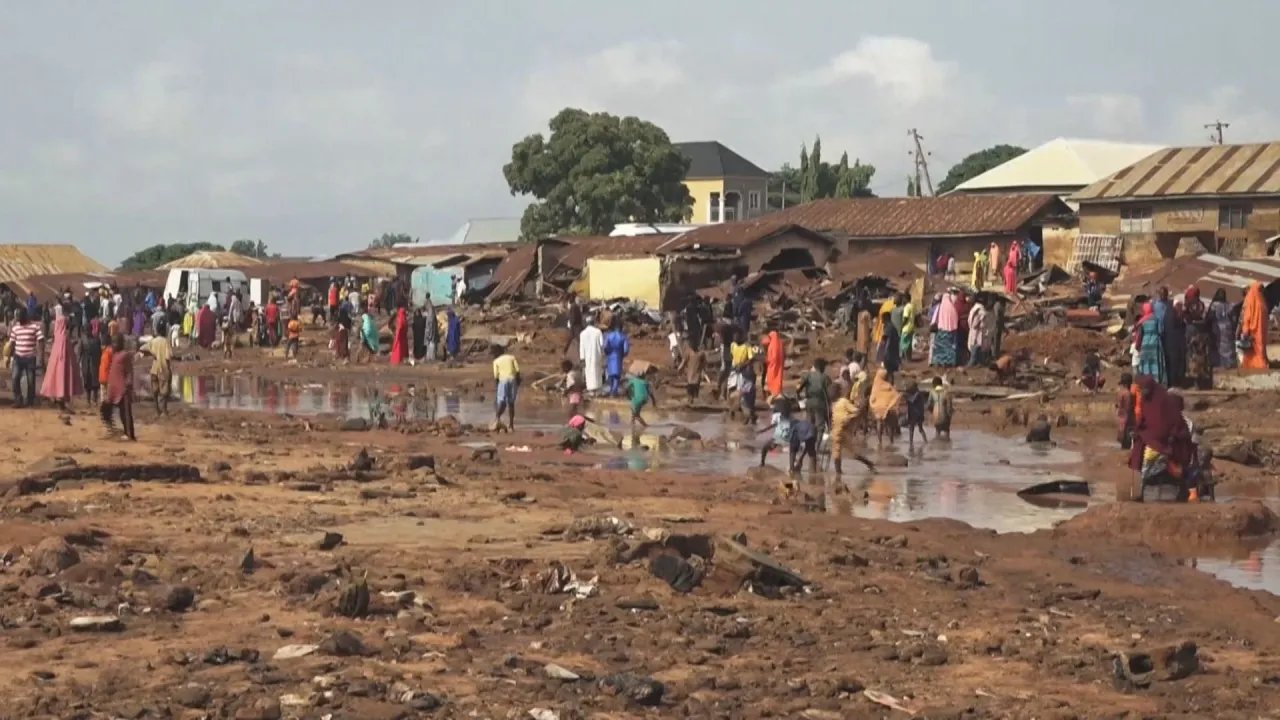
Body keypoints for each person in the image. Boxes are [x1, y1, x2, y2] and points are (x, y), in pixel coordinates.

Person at [1128, 375, 1193, 499]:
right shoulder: (1146, 401)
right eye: (1141, 389)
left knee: (1149, 459)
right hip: (1153, 438)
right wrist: (1137, 430)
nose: (1142, 392)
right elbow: (1143, 420)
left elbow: (1172, 423)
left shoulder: (1163, 400)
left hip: (1167, 440)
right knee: (1139, 452)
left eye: (1144, 389)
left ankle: (1142, 489)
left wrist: (1171, 435)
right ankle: (1140, 488)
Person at [757, 398, 818, 475]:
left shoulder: (791, 423)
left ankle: (794, 471)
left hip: (791, 435)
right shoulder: (786, 419)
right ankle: (813, 473)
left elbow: (792, 445)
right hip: (801, 432)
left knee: (795, 452)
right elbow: (775, 425)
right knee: (811, 454)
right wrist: (763, 430)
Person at [39, 305, 80, 409]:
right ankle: (61, 398)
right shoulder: (64, 337)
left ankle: (58, 397)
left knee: (57, 376)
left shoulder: (58, 336)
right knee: (63, 377)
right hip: (63, 361)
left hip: (57, 360)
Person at [102, 334, 136, 441]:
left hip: (123, 389)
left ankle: (129, 434)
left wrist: (128, 384)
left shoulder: (125, 355)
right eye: (113, 342)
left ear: (121, 343)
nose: (114, 344)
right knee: (105, 409)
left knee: (125, 413)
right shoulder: (114, 354)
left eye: (116, 342)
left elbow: (129, 371)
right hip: (113, 388)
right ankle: (112, 429)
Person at [8, 307, 44, 408]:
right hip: (18, 357)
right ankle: (18, 400)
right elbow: (12, 343)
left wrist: (41, 356)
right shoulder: (15, 328)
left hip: (30, 358)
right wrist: (8, 358)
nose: (17, 318)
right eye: (17, 315)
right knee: (15, 378)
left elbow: (41, 340)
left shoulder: (34, 327)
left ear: (24, 315)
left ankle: (30, 401)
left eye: (19, 315)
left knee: (30, 380)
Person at [140, 320, 173, 415]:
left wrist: (152, 354)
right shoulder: (166, 342)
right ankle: (164, 409)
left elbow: (142, 348)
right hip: (164, 369)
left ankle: (156, 408)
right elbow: (169, 356)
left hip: (154, 369)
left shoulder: (153, 341)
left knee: (155, 390)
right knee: (165, 391)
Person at [797, 358, 833, 442]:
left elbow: (798, 389)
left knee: (810, 425)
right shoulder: (825, 377)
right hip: (820, 403)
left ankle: (809, 447)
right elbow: (831, 393)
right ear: (822, 367)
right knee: (820, 427)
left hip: (809, 403)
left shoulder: (808, 376)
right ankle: (816, 449)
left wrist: (799, 399)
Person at [1133, 301, 1167, 385]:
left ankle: (1146, 382)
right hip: (1155, 344)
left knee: (1146, 364)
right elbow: (1161, 331)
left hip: (1145, 345)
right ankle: (1156, 382)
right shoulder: (1156, 319)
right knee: (1156, 364)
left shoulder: (1142, 322)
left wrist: (1137, 346)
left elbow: (1139, 335)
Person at [1240, 280, 1269, 369]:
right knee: (1257, 348)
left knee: (1258, 348)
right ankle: (1258, 364)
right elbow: (1247, 316)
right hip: (1255, 330)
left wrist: (1245, 330)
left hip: (1257, 329)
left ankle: (1258, 364)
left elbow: (1246, 316)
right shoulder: (1256, 300)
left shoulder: (1254, 299)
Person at [868, 368, 900, 446]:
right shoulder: (888, 385)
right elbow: (895, 395)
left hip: (878, 407)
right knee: (889, 424)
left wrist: (873, 405)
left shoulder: (876, 384)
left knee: (879, 423)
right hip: (886, 407)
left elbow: (873, 396)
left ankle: (880, 441)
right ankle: (891, 441)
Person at [491, 343, 520, 429]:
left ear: (495, 353)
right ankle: (511, 425)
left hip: (503, 380)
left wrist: (497, 387)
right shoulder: (511, 357)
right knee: (511, 403)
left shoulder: (496, 361)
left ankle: (497, 419)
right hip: (512, 379)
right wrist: (517, 382)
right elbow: (517, 371)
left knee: (502, 402)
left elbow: (496, 376)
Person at [1208, 288, 1238, 368]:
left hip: (1217, 329)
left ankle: (1221, 365)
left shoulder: (1214, 305)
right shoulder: (1229, 305)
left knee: (1219, 349)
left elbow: (1210, 317)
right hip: (1228, 329)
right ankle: (1230, 364)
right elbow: (1234, 318)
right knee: (1229, 348)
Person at [930, 290, 960, 367]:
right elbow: (956, 319)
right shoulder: (952, 308)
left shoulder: (940, 307)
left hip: (941, 331)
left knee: (940, 347)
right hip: (951, 331)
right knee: (950, 347)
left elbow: (934, 318)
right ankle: (950, 362)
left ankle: (939, 361)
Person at [601, 318, 630, 397]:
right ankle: (614, 391)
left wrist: (608, 353)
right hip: (618, 356)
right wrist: (622, 355)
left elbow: (605, 346)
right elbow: (626, 349)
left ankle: (611, 390)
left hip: (610, 356)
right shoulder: (623, 337)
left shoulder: (609, 336)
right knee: (617, 375)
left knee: (610, 374)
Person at [578, 315, 604, 394]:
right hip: (597, 355)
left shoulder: (582, 333)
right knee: (597, 371)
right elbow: (602, 344)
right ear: (593, 322)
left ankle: (590, 390)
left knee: (588, 372)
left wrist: (582, 358)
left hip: (587, 357)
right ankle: (598, 390)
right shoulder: (598, 332)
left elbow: (581, 347)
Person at [80, 319, 103, 406]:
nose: (86, 332)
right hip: (86, 362)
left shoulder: (96, 339)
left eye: (88, 330)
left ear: (91, 330)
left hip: (94, 363)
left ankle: (95, 399)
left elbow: (100, 352)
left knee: (95, 383)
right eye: (85, 330)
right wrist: (79, 363)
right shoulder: (83, 340)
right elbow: (80, 352)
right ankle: (88, 399)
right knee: (87, 382)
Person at [902, 380, 928, 447]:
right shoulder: (913, 393)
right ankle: (912, 443)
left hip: (917, 413)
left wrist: (906, 396)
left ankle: (923, 441)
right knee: (913, 429)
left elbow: (912, 400)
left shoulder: (918, 393)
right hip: (913, 413)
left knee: (918, 428)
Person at [678, 339, 705, 403]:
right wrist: (702, 371)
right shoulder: (701, 353)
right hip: (697, 380)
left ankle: (690, 403)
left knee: (690, 397)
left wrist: (679, 371)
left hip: (690, 380)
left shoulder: (689, 352)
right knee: (695, 397)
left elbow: (683, 364)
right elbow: (704, 364)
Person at [761, 325, 784, 400]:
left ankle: (770, 396)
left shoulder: (772, 337)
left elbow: (764, 342)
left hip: (771, 363)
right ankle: (774, 394)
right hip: (777, 363)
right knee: (777, 378)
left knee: (770, 379)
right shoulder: (778, 340)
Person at [1116, 371, 1136, 449]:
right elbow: (1128, 407)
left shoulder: (1120, 392)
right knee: (1127, 433)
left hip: (1120, 415)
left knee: (1121, 432)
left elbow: (1118, 405)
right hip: (1126, 416)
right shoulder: (1128, 394)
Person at [967, 299, 988, 367]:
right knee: (977, 344)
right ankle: (976, 361)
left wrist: (972, 326)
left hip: (975, 330)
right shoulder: (981, 309)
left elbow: (972, 321)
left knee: (974, 344)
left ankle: (974, 361)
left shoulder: (976, 309)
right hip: (978, 330)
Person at [880, 311, 901, 377]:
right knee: (890, 372)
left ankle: (890, 385)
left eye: (882, 318)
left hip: (889, 354)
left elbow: (884, 339)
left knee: (889, 372)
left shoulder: (888, 327)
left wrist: (881, 351)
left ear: (885, 318)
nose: (881, 320)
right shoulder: (892, 326)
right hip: (893, 353)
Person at [899, 294, 916, 362]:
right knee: (909, 344)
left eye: (903, 299)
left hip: (906, 328)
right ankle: (909, 358)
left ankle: (905, 359)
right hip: (911, 327)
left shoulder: (906, 307)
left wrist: (901, 326)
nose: (903, 300)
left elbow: (905, 318)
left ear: (906, 299)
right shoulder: (912, 306)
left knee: (903, 344)